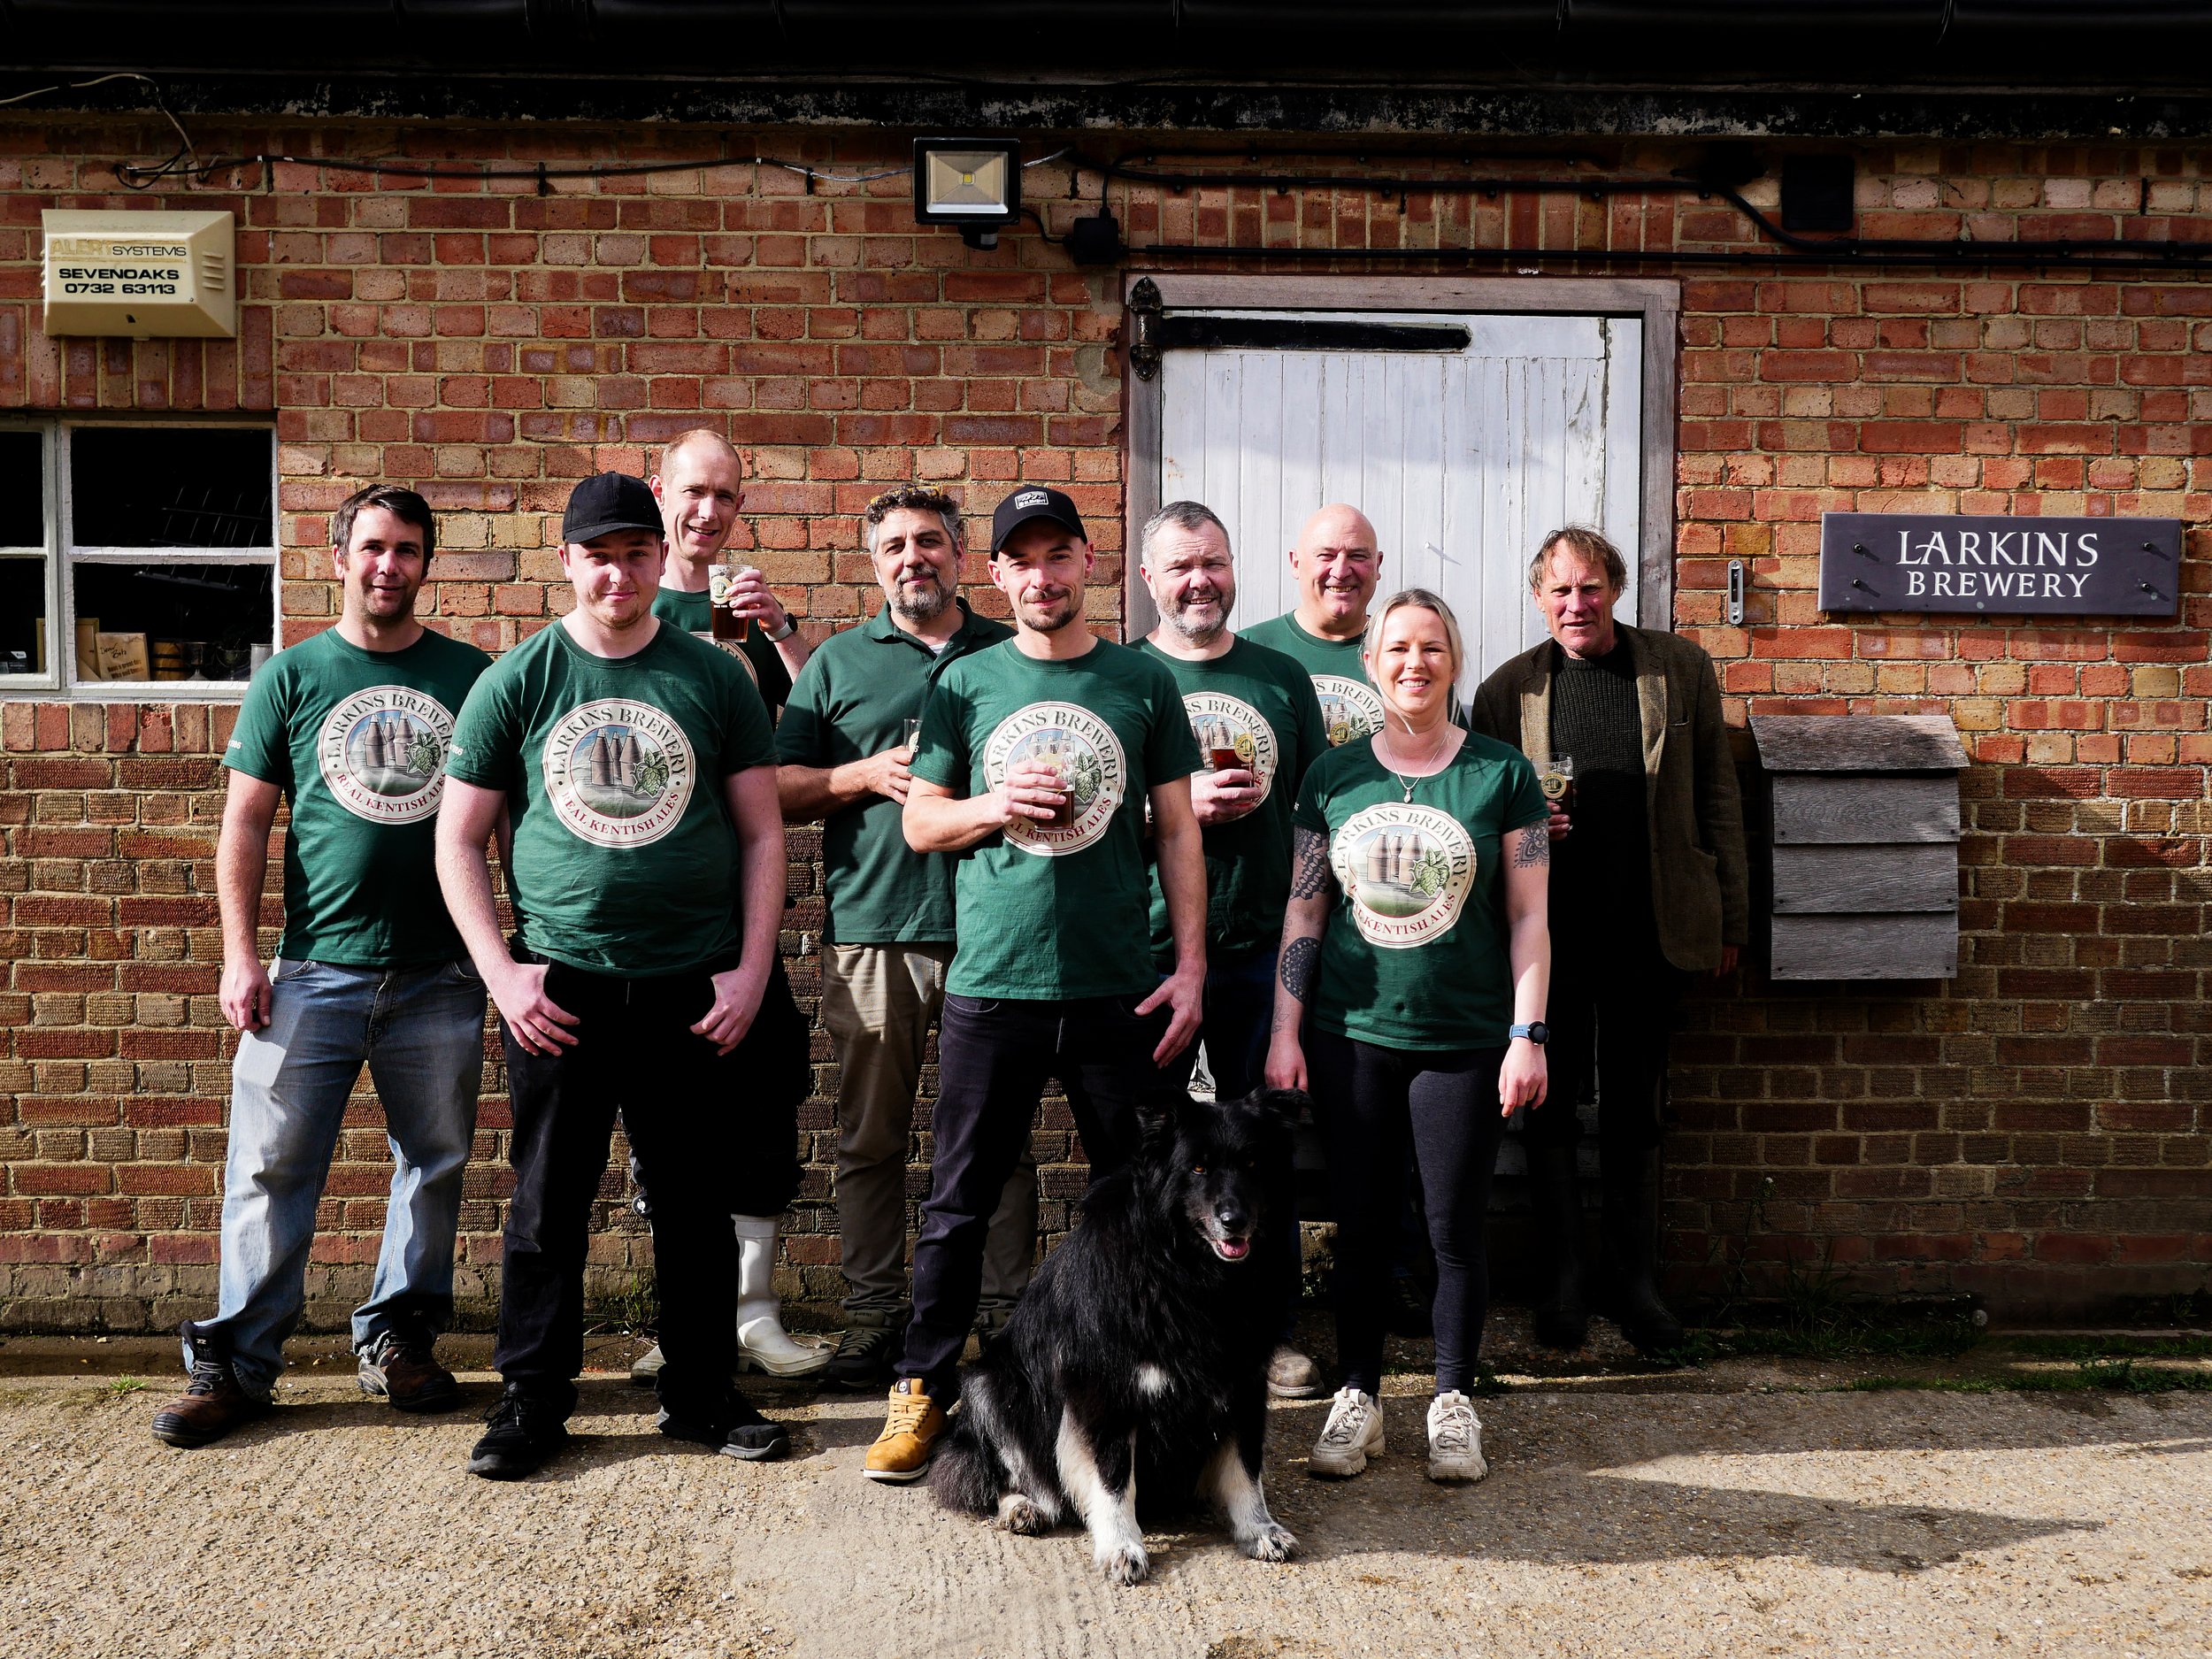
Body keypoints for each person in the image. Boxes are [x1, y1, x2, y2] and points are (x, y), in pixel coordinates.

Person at [435, 471, 791, 1479]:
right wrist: (505, 976)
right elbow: (457, 841)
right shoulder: (519, 679)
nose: (621, 572)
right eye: (600, 554)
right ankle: (532, 1401)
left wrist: (750, 971)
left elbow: (764, 835)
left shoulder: (713, 676)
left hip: (692, 985)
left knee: (692, 1202)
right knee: (548, 1202)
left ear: (657, 559)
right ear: (568, 562)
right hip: (562, 989)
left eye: (638, 553)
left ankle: (701, 1392)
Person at [862, 484, 1208, 1483]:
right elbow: (922, 823)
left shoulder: (1141, 683)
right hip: (994, 985)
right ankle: (922, 1390)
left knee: (1146, 1200)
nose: (1042, 575)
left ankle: (1166, 1382)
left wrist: (1186, 969)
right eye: (1023, 559)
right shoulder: (968, 683)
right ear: (999, 574)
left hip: (1116, 990)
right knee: (958, 1202)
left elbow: (1178, 831)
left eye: (1060, 555)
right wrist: (992, 803)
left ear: (1088, 566)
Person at [151, 485, 492, 1448]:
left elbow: (507, 817)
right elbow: (246, 823)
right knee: (267, 1169)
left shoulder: (470, 675)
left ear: (427, 563)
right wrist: (240, 955)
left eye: (409, 550)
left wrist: (506, 955)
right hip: (311, 974)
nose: (390, 566)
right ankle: (240, 1371)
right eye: (374, 547)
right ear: (338, 557)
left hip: (440, 977)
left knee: (433, 1165)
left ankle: (400, 1343)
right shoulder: (292, 676)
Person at [1265, 588, 1551, 1486]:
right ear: (1370, 663)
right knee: (1358, 1224)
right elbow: (1305, 908)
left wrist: (1526, 1034)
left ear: (1452, 660)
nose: (1413, 663)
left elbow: (1531, 917)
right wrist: (1286, 1029)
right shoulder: (1331, 777)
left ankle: (1451, 1402)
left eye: (1431, 647)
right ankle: (1357, 1400)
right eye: (1397, 649)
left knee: (1451, 1230)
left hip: (1464, 1037)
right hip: (1352, 1034)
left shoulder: (1503, 775)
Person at [775, 485, 1041, 1389]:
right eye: (893, 546)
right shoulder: (839, 664)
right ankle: (870, 1319)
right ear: (873, 560)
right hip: (874, 931)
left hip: (995, 932)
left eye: (929, 542)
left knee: (995, 1142)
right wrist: (854, 774)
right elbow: (777, 790)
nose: (912, 559)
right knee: (871, 1138)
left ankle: (1006, 1317)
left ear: (963, 555)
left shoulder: (1012, 652)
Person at [1470, 526, 1748, 1356]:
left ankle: (1635, 1284)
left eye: (1589, 588)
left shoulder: (1680, 668)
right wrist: (1525, 827)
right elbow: (1476, 815)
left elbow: (1719, 798)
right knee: (1548, 1112)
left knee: (1637, 1112)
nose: (1575, 604)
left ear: (1616, 590)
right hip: (1548, 941)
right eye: (1559, 591)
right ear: (1538, 598)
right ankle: (1564, 1282)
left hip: (1650, 931)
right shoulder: (1504, 690)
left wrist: (1730, 916)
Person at [1134, 499, 1330, 1399]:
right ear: (1148, 581)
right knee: (1157, 1158)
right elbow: (1090, 821)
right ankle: (1165, 1328)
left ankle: (1268, 1333)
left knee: (1260, 1155)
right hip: (1150, 957)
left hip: (1257, 951)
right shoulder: (1122, 675)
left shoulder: (1280, 677)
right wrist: (1166, 814)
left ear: (1234, 567)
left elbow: (1316, 814)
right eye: (1179, 567)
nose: (1198, 581)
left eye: (1211, 562)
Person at [648, 428, 811, 715]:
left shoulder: (752, 607)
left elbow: (819, 709)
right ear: (659, 493)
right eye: (694, 491)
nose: (709, 512)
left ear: (738, 506)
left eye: (723, 497)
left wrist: (781, 632)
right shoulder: (633, 602)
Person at [1242, 503, 1387, 748]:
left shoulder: (1408, 656)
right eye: (1326, 555)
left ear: (1377, 565)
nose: (1341, 571)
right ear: (1296, 563)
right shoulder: (1247, 652)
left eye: (1357, 556)